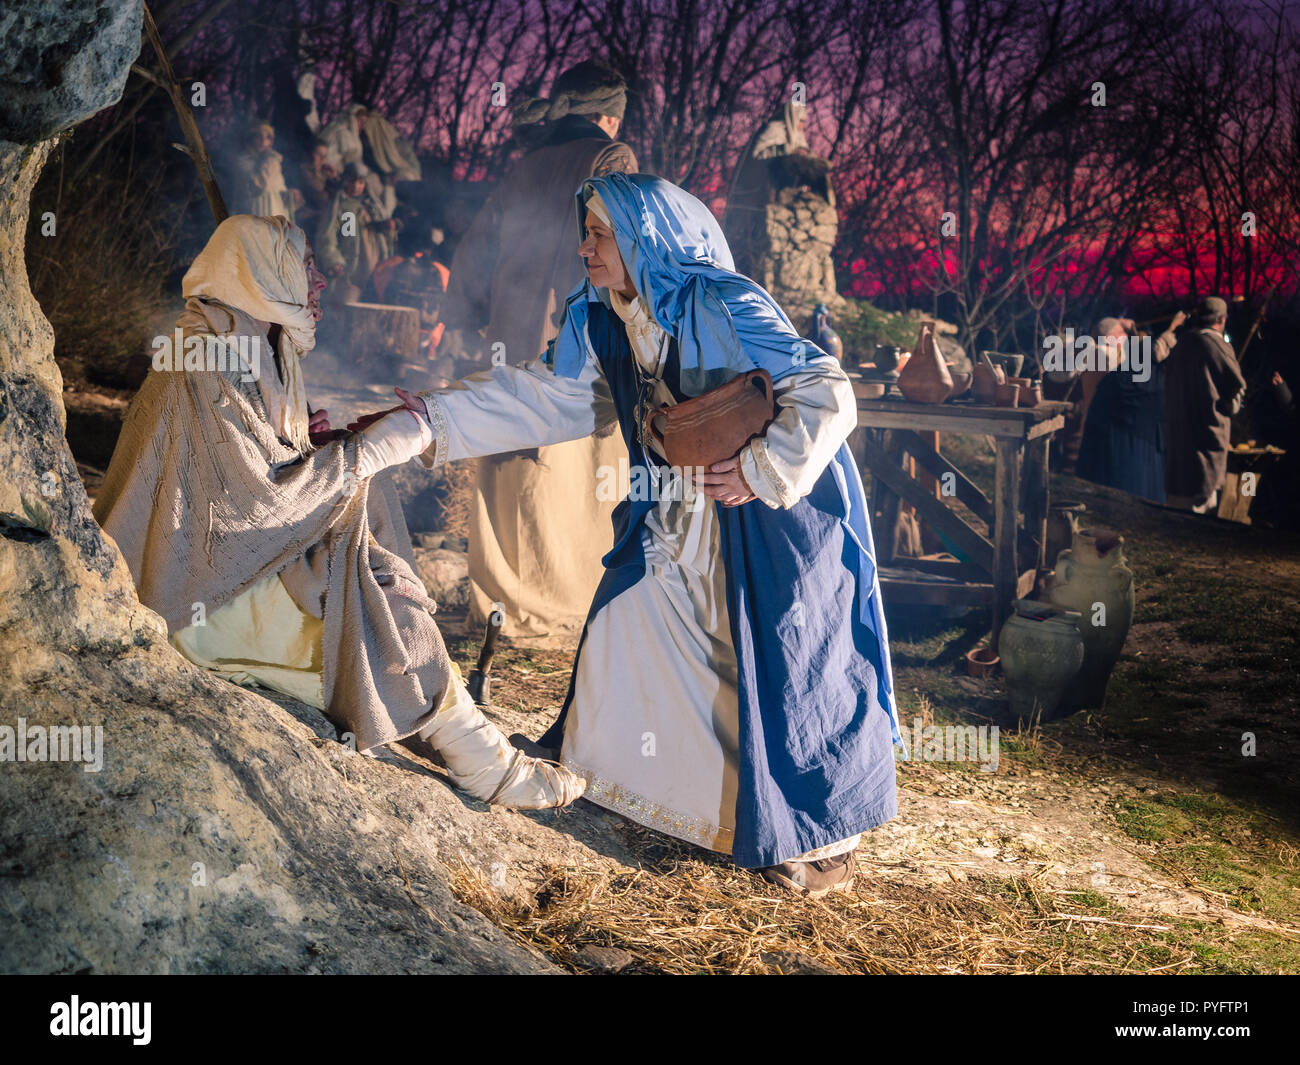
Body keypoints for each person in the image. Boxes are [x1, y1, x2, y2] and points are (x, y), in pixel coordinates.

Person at [390, 173, 902, 896]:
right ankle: (651, 789)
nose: (585, 247)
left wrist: (762, 466)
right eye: (588, 231)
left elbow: (828, 390)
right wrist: (433, 422)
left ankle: (815, 837)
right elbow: (549, 398)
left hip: (773, 514)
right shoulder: (601, 315)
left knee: (787, 664)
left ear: (645, 239)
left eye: (600, 234)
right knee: (634, 624)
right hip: (679, 507)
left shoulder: (724, 301)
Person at [93, 214, 583, 810]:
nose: (322, 280)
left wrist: (307, 452)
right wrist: (365, 451)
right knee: (382, 614)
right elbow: (249, 508)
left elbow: (254, 474)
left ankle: (457, 731)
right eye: (304, 266)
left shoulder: (258, 343)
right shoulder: (200, 359)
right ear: (262, 273)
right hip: (205, 588)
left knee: (370, 545)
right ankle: (487, 767)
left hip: (245, 554)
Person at [437, 60, 637, 645]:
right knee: (576, 467)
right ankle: (562, 608)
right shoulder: (610, 158)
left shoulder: (525, 166)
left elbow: (477, 246)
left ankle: (503, 606)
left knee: (516, 461)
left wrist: (464, 319)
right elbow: (619, 240)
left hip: (513, 333)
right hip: (575, 335)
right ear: (609, 115)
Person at [1076, 312, 1185, 502]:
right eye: (1122, 334)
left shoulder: (1115, 374)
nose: (1127, 338)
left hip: (1110, 443)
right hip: (1136, 450)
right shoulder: (1104, 356)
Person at [1164, 296, 1247, 513]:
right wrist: (1231, 406)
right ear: (1222, 319)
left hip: (1179, 436)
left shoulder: (1182, 344)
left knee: (1178, 510)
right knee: (1200, 512)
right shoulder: (1215, 345)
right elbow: (1236, 387)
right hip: (1205, 439)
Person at [316, 162, 394, 306]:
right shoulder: (342, 209)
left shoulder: (373, 208)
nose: (356, 186)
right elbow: (328, 238)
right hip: (351, 269)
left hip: (375, 267)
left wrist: (387, 227)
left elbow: (385, 236)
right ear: (345, 181)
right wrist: (333, 260)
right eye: (352, 181)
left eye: (360, 182)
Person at [230, 122, 298, 221]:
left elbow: (277, 189)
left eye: (267, 137)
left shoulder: (271, 161)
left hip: (275, 215)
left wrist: (290, 194)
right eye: (259, 137)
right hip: (256, 214)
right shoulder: (244, 161)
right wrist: (271, 159)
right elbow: (260, 185)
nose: (263, 141)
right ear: (251, 139)